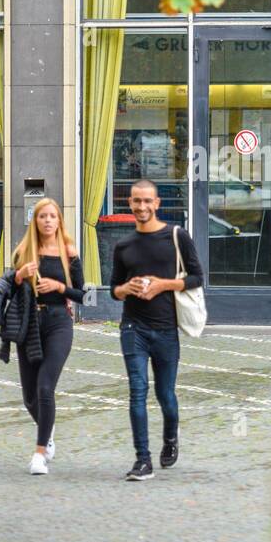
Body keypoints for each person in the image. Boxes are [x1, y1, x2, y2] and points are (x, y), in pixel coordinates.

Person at [109, 179, 203, 481]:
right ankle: (142, 460)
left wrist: (164, 284)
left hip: (165, 329)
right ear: (130, 204)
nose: (142, 207)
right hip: (133, 328)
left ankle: (171, 437)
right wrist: (127, 288)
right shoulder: (123, 246)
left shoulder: (176, 236)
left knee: (166, 395)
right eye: (136, 201)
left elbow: (197, 277)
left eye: (147, 201)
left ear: (157, 203)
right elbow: (114, 289)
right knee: (137, 391)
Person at [11, 198, 83, 476]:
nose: (48, 221)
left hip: (58, 323)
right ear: (35, 220)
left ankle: (39, 453)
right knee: (30, 397)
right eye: (43, 216)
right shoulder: (24, 251)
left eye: (53, 216)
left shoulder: (69, 252)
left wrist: (59, 287)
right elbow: (10, 290)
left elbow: (84, 295)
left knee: (44, 388)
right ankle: (48, 429)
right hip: (29, 324)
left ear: (59, 221)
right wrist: (19, 277)